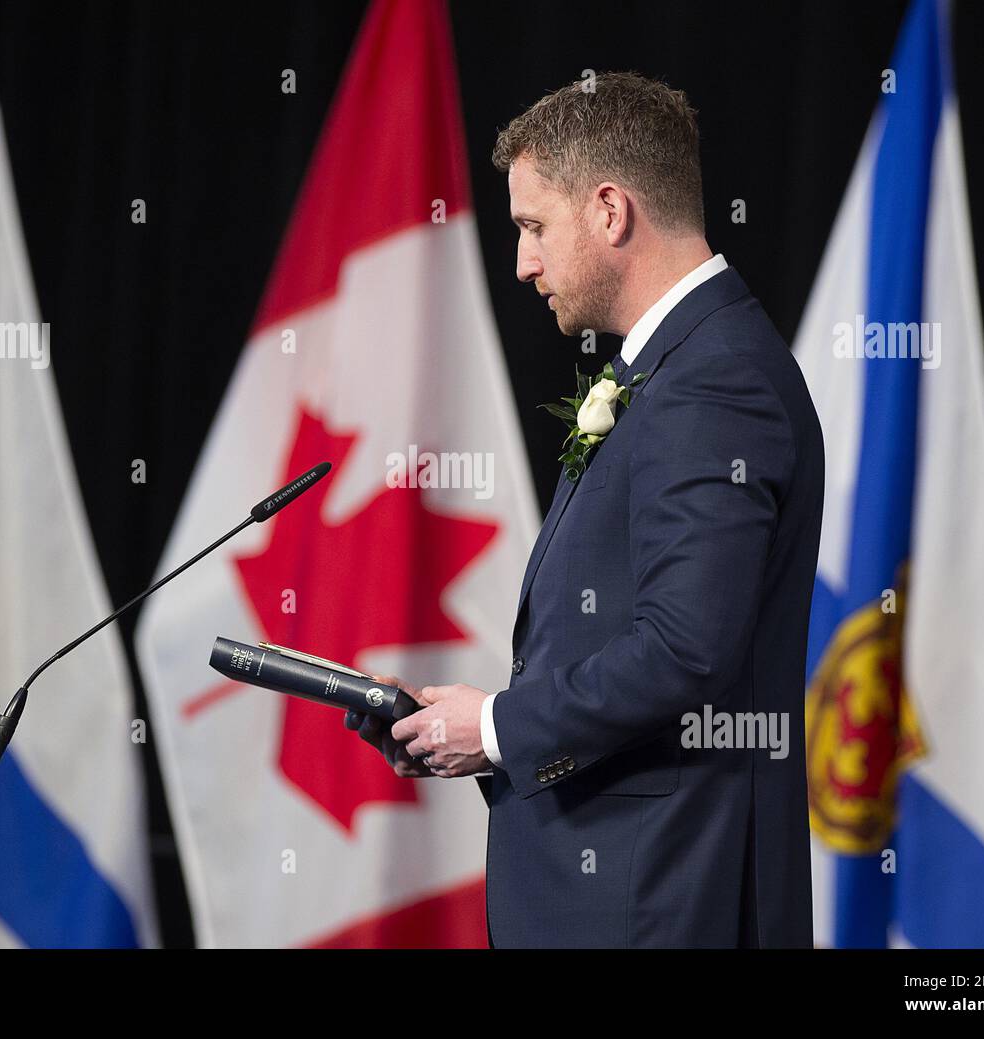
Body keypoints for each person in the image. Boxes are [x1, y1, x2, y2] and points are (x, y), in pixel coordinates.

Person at [347, 72, 823, 948]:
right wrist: (471, 723)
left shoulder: (714, 378)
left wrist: (492, 726)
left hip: (663, 903)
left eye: (533, 226)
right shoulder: (675, 367)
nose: (523, 261)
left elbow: (687, 646)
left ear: (610, 210)